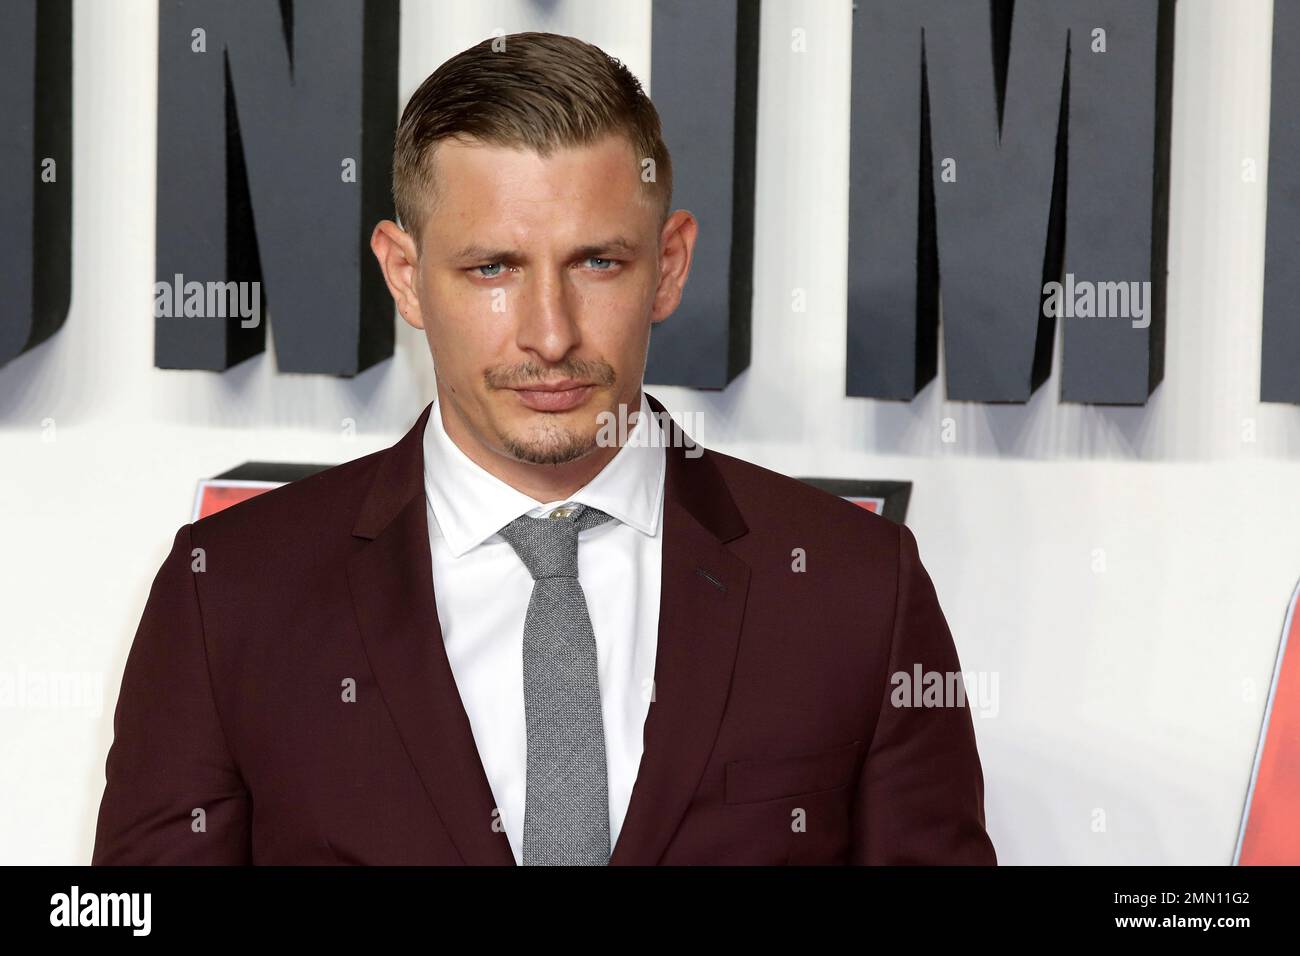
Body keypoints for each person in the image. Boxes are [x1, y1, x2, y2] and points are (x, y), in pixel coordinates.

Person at [92, 31, 995, 865]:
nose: (551, 335)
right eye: (493, 269)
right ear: (404, 274)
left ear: (670, 264)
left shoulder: (854, 589)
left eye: (597, 262)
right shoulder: (233, 597)